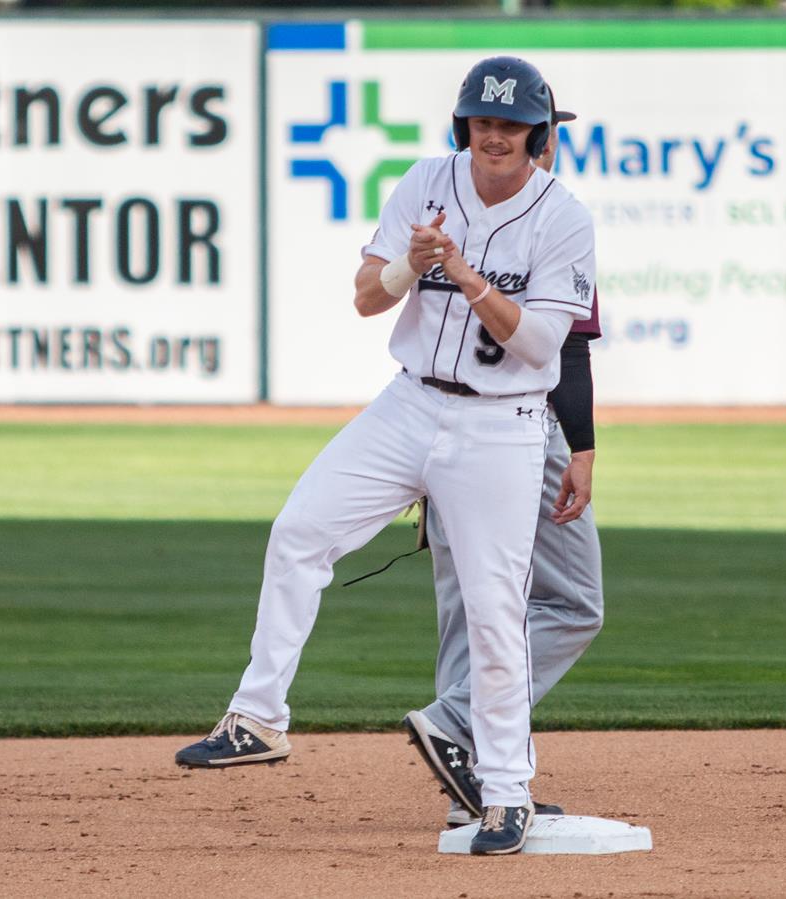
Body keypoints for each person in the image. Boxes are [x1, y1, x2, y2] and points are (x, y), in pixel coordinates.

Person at [174, 55, 596, 857]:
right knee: (300, 530)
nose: (493, 136)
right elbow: (369, 296)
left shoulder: (563, 217)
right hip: (410, 403)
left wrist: (463, 272)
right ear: (461, 125)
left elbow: (543, 341)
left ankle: (507, 795)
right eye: (481, 121)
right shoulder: (426, 179)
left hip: (503, 427)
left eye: (509, 125)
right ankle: (258, 716)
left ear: (538, 135)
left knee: (495, 611)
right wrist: (413, 261)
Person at [401, 91, 606, 830]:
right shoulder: (556, 220)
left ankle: (476, 784)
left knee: (472, 608)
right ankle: (457, 724)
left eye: (533, 131)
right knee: (572, 603)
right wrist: (581, 446)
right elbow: (569, 346)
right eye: (536, 132)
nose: (542, 145)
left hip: (437, 418)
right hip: (524, 426)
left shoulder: (454, 212)